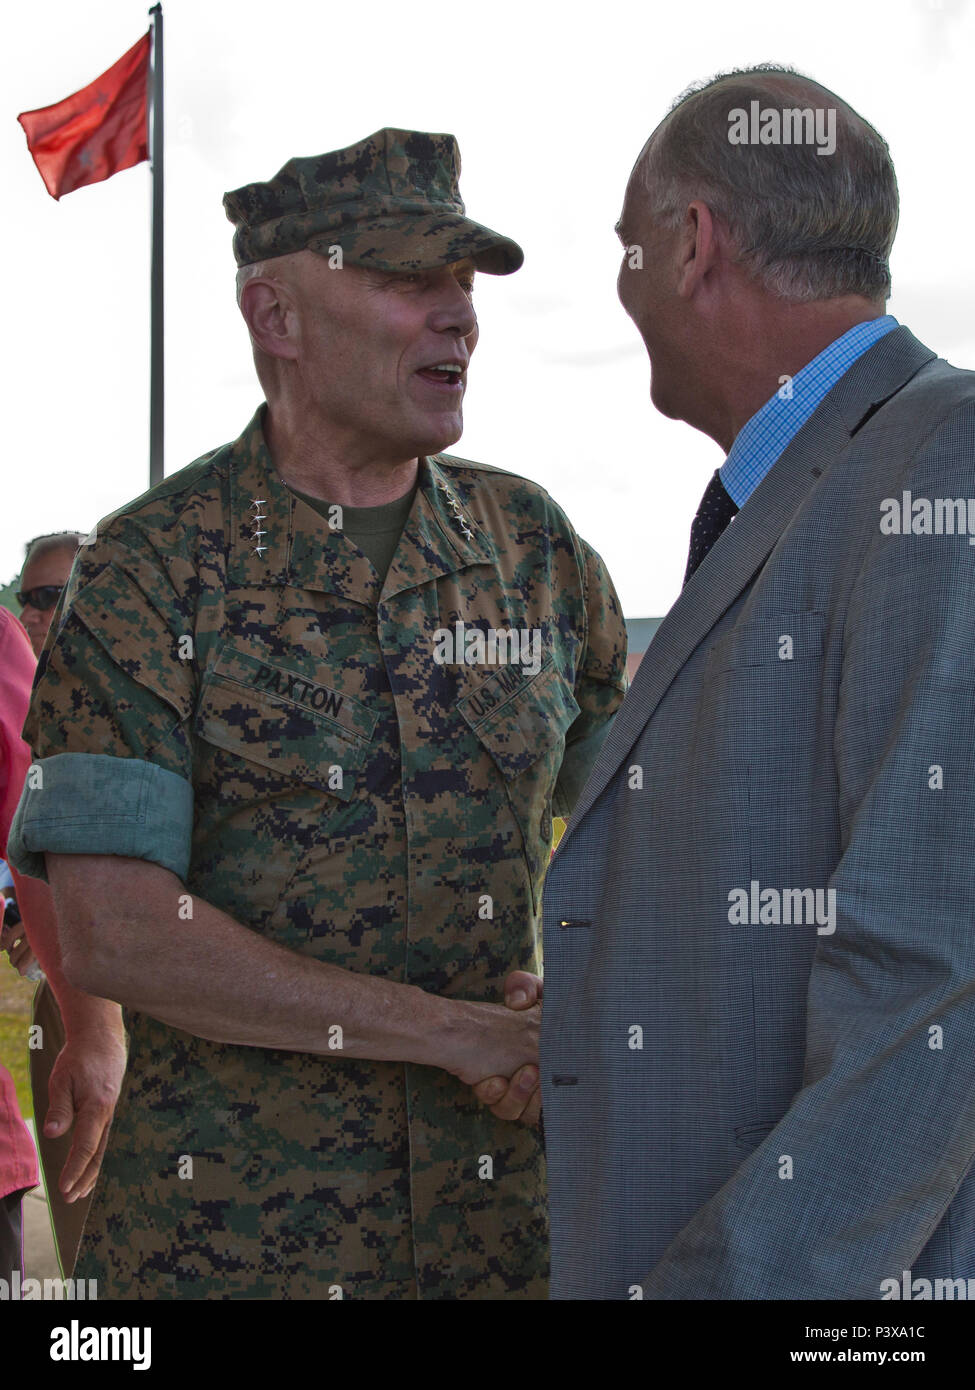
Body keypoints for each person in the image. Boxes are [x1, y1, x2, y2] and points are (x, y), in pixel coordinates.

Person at [8, 127, 627, 1299]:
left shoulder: (533, 551)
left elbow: (643, 838)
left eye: (465, 282)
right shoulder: (150, 572)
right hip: (231, 1252)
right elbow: (114, 930)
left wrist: (588, 994)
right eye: (408, 279)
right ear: (275, 315)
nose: (459, 316)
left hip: (504, 1244)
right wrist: (455, 1033)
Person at [492, 66, 975, 1299]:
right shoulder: (834, 472)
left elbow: (937, 978)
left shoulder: (944, 462)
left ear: (692, 243)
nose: (624, 288)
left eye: (626, 248)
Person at [7, 530, 119, 1277]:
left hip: (187, 996)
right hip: (79, 991)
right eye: (33, 598)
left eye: (63, 594)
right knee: (87, 1226)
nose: (45, 614)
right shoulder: (28, 697)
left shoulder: (181, 695)